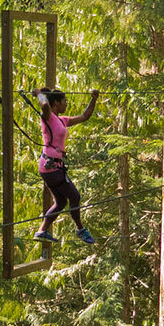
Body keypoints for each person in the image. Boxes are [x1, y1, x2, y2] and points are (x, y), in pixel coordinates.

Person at [33, 87, 100, 245]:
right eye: (64, 102)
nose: (66, 104)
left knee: (61, 202)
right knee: (75, 196)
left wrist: (94, 99)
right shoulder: (48, 117)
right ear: (56, 103)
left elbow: (85, 116)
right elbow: (44, 106)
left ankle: (42, 230)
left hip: (54, 166)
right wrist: (39, 94)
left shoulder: (61, 120)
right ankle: (80, 229)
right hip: (51, 166)